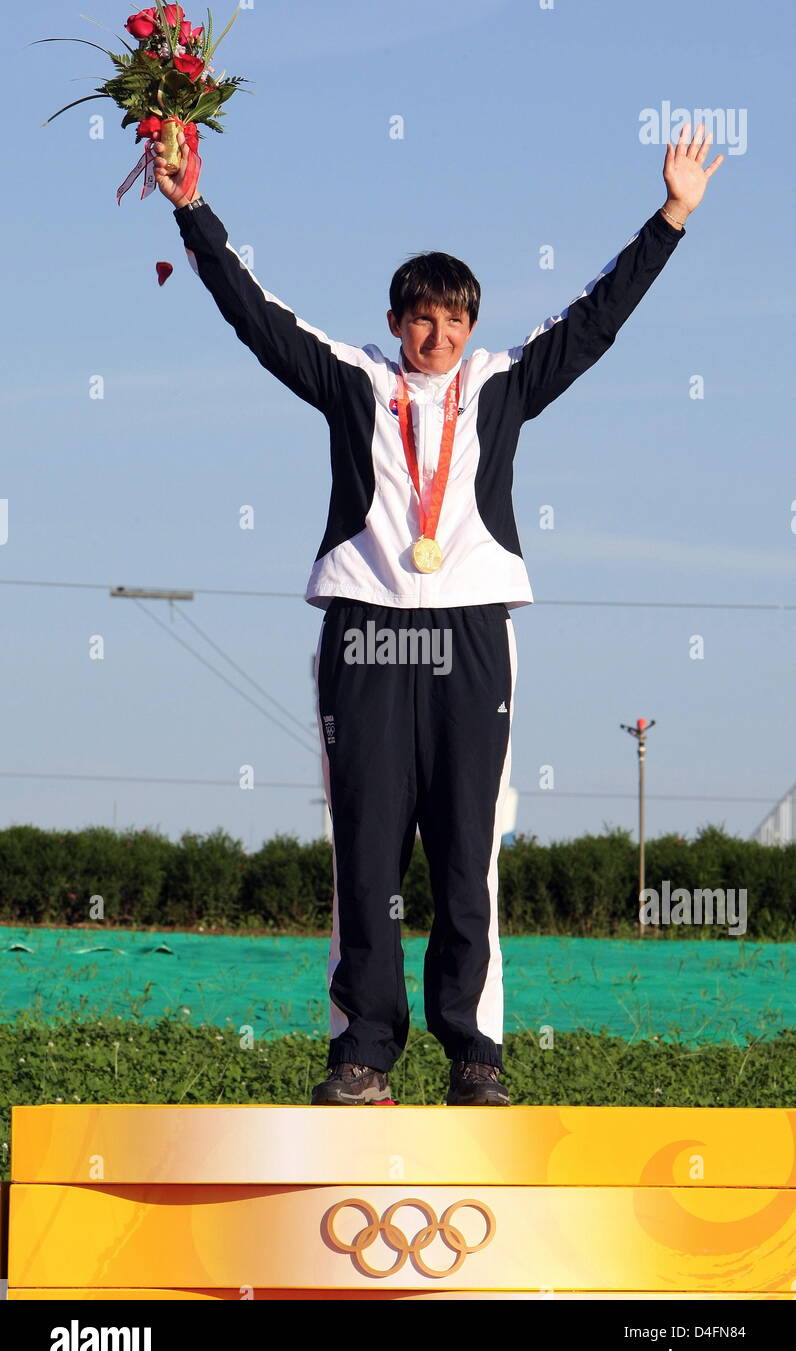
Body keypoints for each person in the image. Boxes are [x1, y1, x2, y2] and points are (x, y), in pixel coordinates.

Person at [155, 123, 722, 1106]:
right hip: (366, 624)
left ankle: (475, 1054)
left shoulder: (501, 386)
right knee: (367, 847)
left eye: (455, 321)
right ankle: (364, 1051)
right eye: (423, 320)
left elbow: (595, 319)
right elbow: (256, 317)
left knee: (468, 846)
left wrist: (670, 217)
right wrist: (190, 210)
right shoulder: (352, 381)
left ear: (471, 326)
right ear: (396, 319)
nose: (439, 338)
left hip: (469, 629)